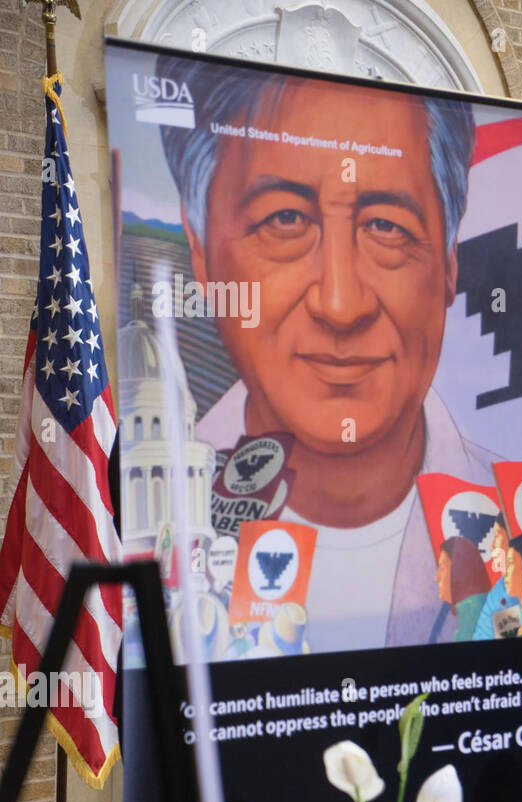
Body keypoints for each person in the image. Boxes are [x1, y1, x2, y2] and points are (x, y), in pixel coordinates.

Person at [156, 55, 490, 653]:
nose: (341, 303)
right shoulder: (146, 543)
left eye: (387, 226)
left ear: (449, 262)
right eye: (284, 219)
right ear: (202, 256)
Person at [436, 536, 492, 642]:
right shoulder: (479, 607)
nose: (437, 577)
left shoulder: (471, 613)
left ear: (459, 570)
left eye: (442, 567)